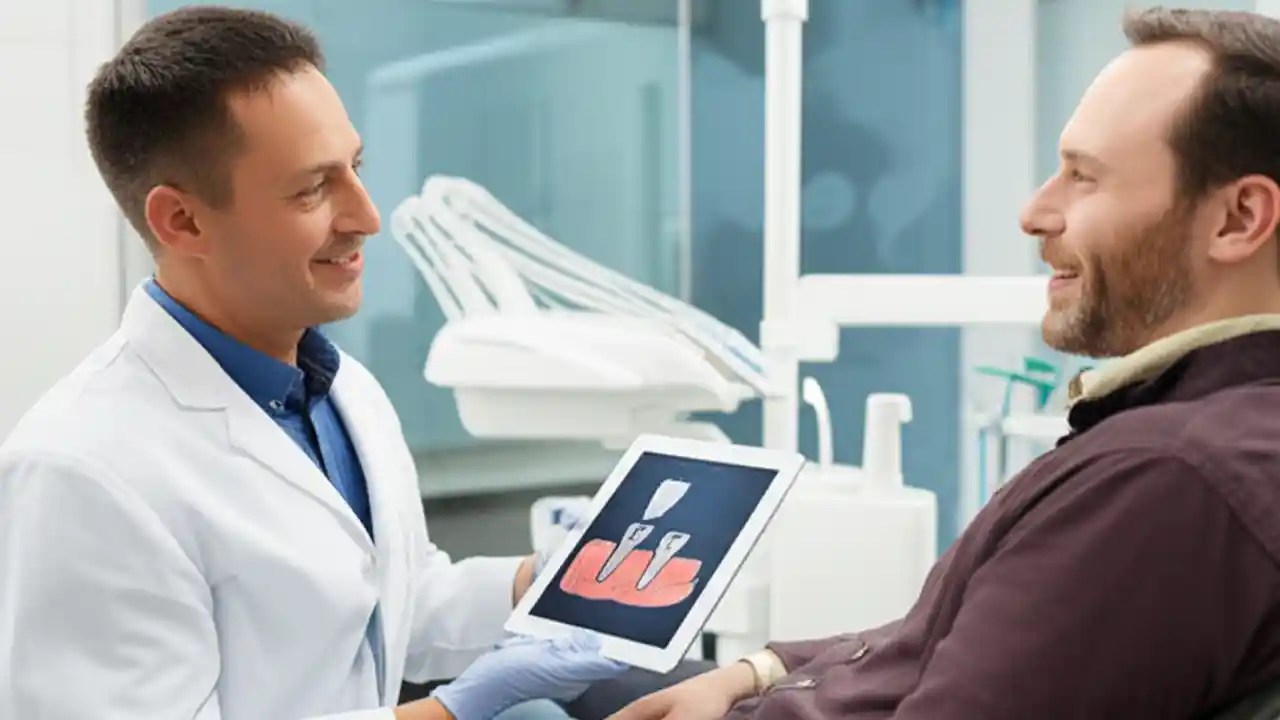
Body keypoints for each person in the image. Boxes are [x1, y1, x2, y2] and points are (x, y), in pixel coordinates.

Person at [610, 7, 1280, 720]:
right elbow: (941, 638)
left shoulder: (1167, 479)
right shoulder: (1205, 436)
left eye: (1083, 178)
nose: (1034, 212)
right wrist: (756, 671)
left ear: (1238, 219)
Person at [0, 6, 623, 719]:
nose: (366, 215)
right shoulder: (80, 473)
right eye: (312, 188)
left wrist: (544, 580)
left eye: (355, 168)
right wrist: (451, 713)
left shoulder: (339, 392)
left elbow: (388, 607)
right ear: (183, 221)